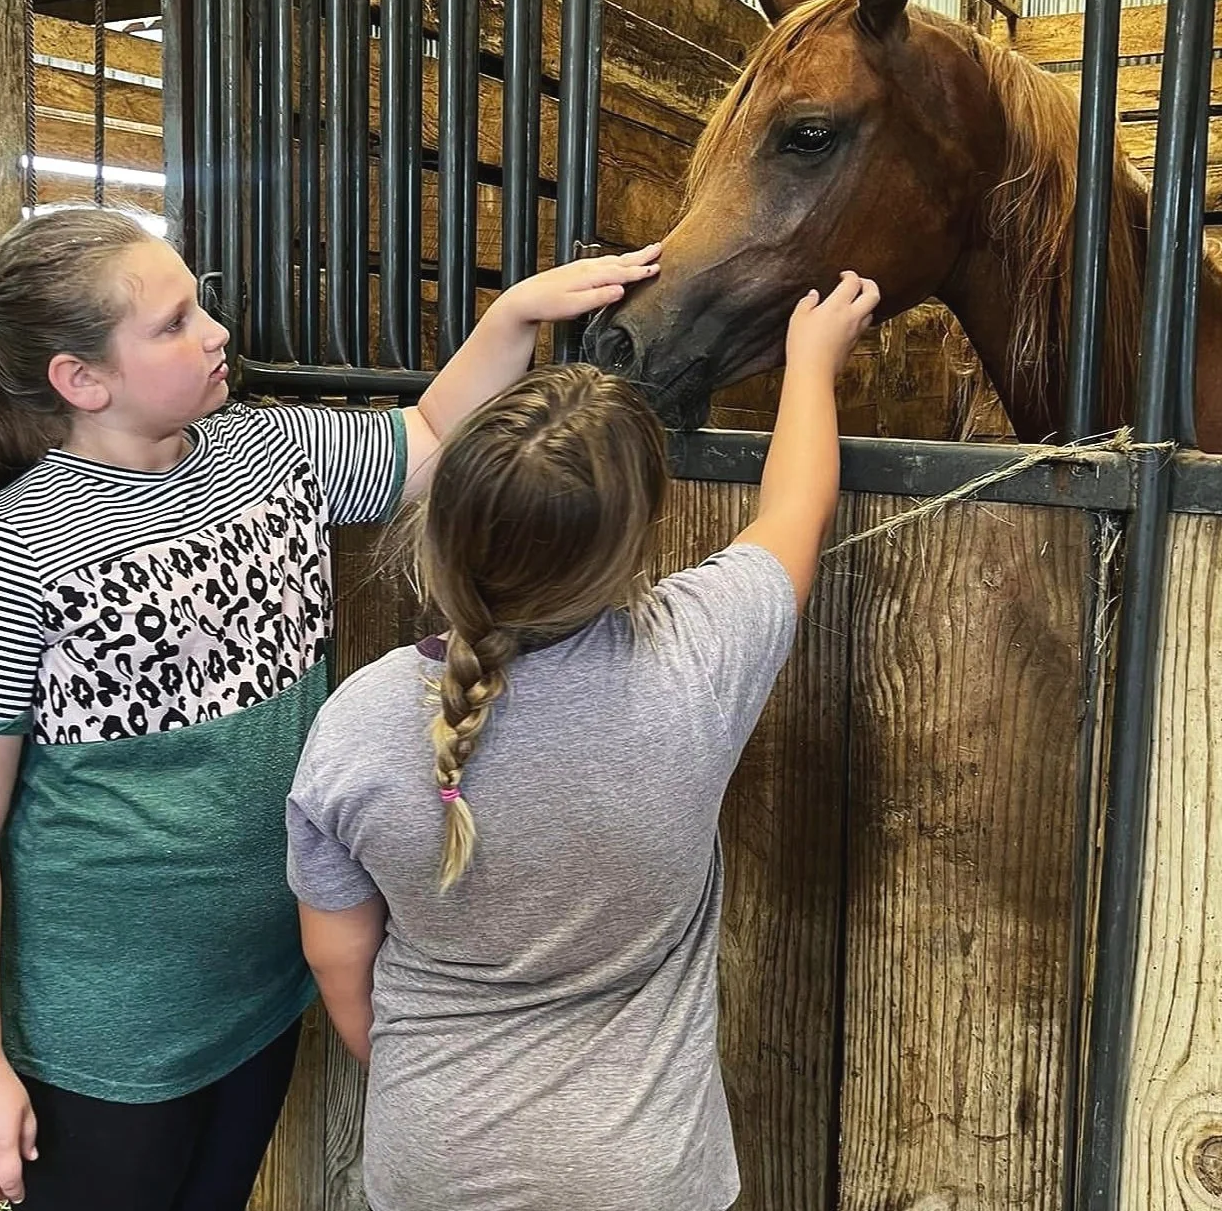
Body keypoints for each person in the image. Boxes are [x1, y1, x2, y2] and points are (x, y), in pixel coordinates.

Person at [0, 203, 662, 1210]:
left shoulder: (264, 450)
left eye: (197, 301)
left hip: (260, 987)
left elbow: (425, 433)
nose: (214, 332)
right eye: (170, 324)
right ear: (83, 380)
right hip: (106, 1035)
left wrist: (513, 314)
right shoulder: (1, 556)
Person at [286, 271, 881, 1211]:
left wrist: (425, 1078)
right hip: (639, 1171)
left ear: (439, 531)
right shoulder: (695, 656)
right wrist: (810, 367)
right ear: (639, 543)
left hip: (433, 1158)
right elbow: (794, 509)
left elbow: (337, 963)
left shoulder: (352, 723)